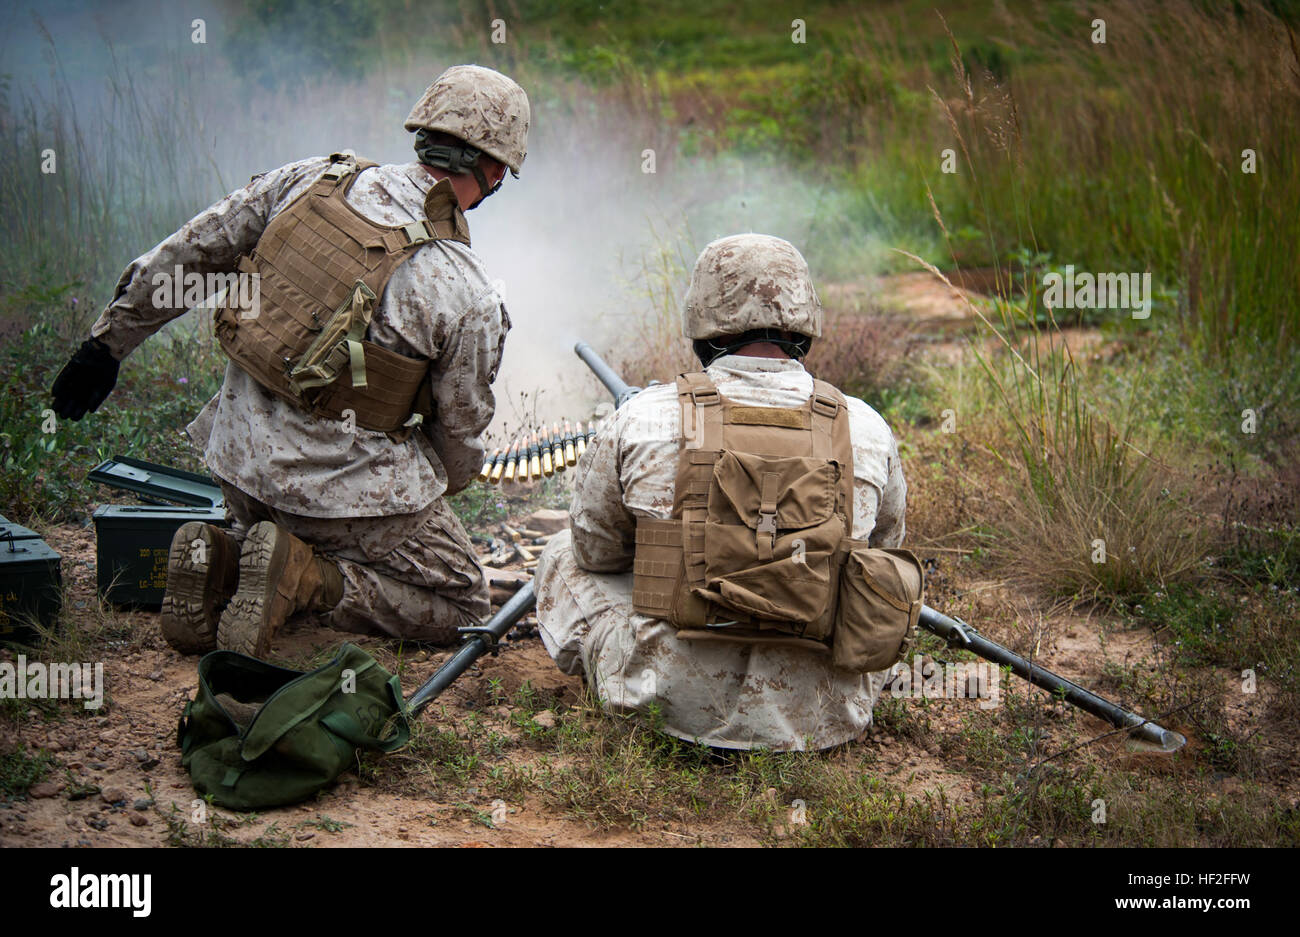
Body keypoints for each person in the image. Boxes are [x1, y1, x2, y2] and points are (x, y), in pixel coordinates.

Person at [49, 64, 530, 657]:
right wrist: (428, 485)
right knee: (464, 602)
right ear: (496, 169)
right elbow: (458, 439)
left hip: (239, 470)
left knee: (278, 530)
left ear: (423, 130)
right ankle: (309, 578)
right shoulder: (468, 288)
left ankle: (227, 557)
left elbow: (190, 253)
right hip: (344, 504)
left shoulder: (310, 182)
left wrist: (107, 344)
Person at [535, 234, 916, 751]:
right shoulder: (866, 427)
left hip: (662, 708)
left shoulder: (644, 417)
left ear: (702, 318)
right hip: (821, 720)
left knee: (561, 554)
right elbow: (883, 558)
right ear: (805, 320)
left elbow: (596, 552)